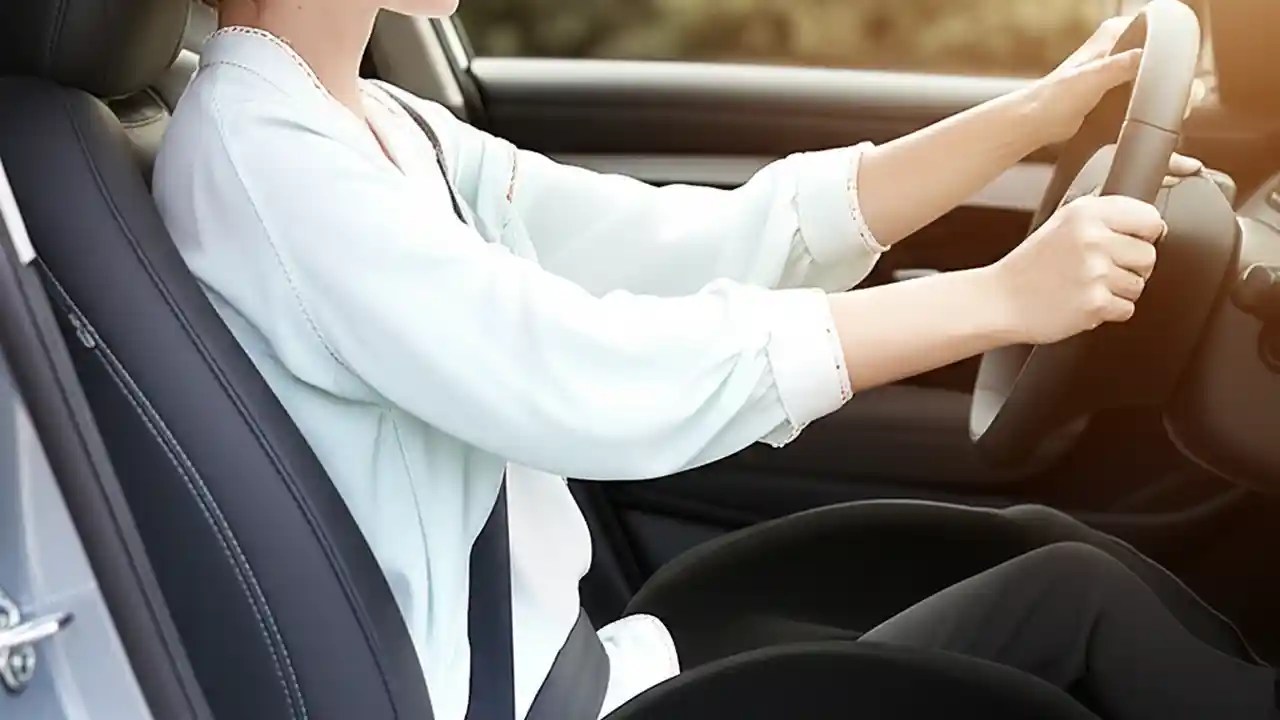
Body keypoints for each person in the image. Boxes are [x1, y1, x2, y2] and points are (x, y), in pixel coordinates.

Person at [153, 0, 1276, 718]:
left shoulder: (379, 126)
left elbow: (687, 243)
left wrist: (1035, 115)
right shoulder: (266, 162)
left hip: (588, 665)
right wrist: (998, 299)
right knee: (1077, 614)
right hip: (536, 703)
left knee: (1064, 573)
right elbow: (579, 374)